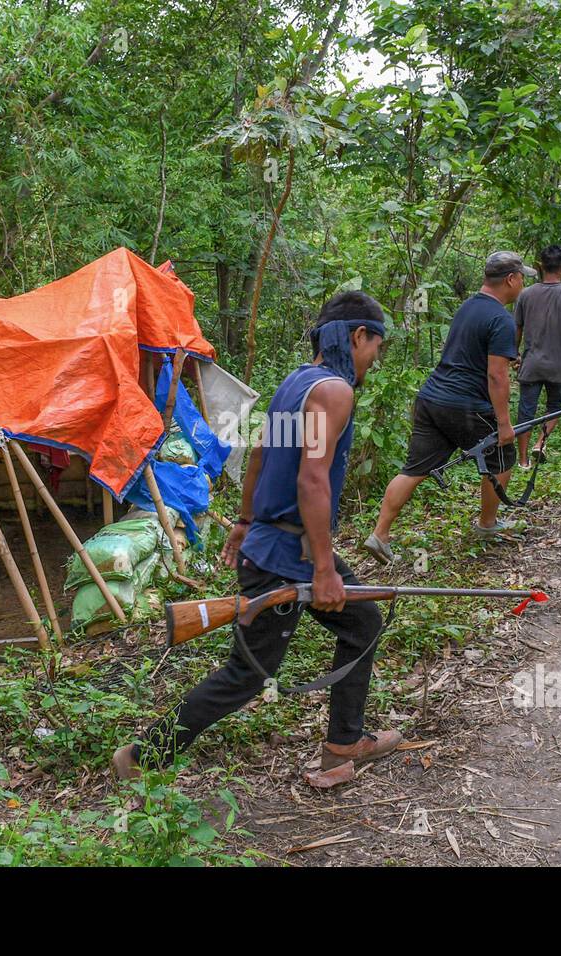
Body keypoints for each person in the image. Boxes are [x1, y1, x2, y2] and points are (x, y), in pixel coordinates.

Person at [114, 291, 398, 790]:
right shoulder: (334, 392)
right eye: (376, 345)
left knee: (362, 621)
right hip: (293, 556)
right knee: (247, 674)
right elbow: (313, 480)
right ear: (358, 337)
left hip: (273, 545)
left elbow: (262, 452)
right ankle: (142, 754)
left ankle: (343, 744)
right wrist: (325, 568)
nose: (376, 357)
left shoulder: (295, 383)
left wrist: (246, 520)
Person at [362, 251, 534, 564]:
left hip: (431, 399)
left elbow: (471, 353)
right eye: (522, 277)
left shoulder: (468, 306)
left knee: (415, 468)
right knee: (503, 456)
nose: (523, 283)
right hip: (465, 404)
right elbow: (496, 376)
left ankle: (379, 534)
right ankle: (487, 524)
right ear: (511, 279)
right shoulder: (502, 319)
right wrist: (505, 423)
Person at [513, 244, 561, 466]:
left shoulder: (525, 295)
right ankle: (540, 443)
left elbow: (516, 328)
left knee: (525, 412)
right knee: (555, 405)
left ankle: (524, 461)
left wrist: (514, 355)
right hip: (558, 364)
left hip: (531, 363)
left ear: (539, 267)